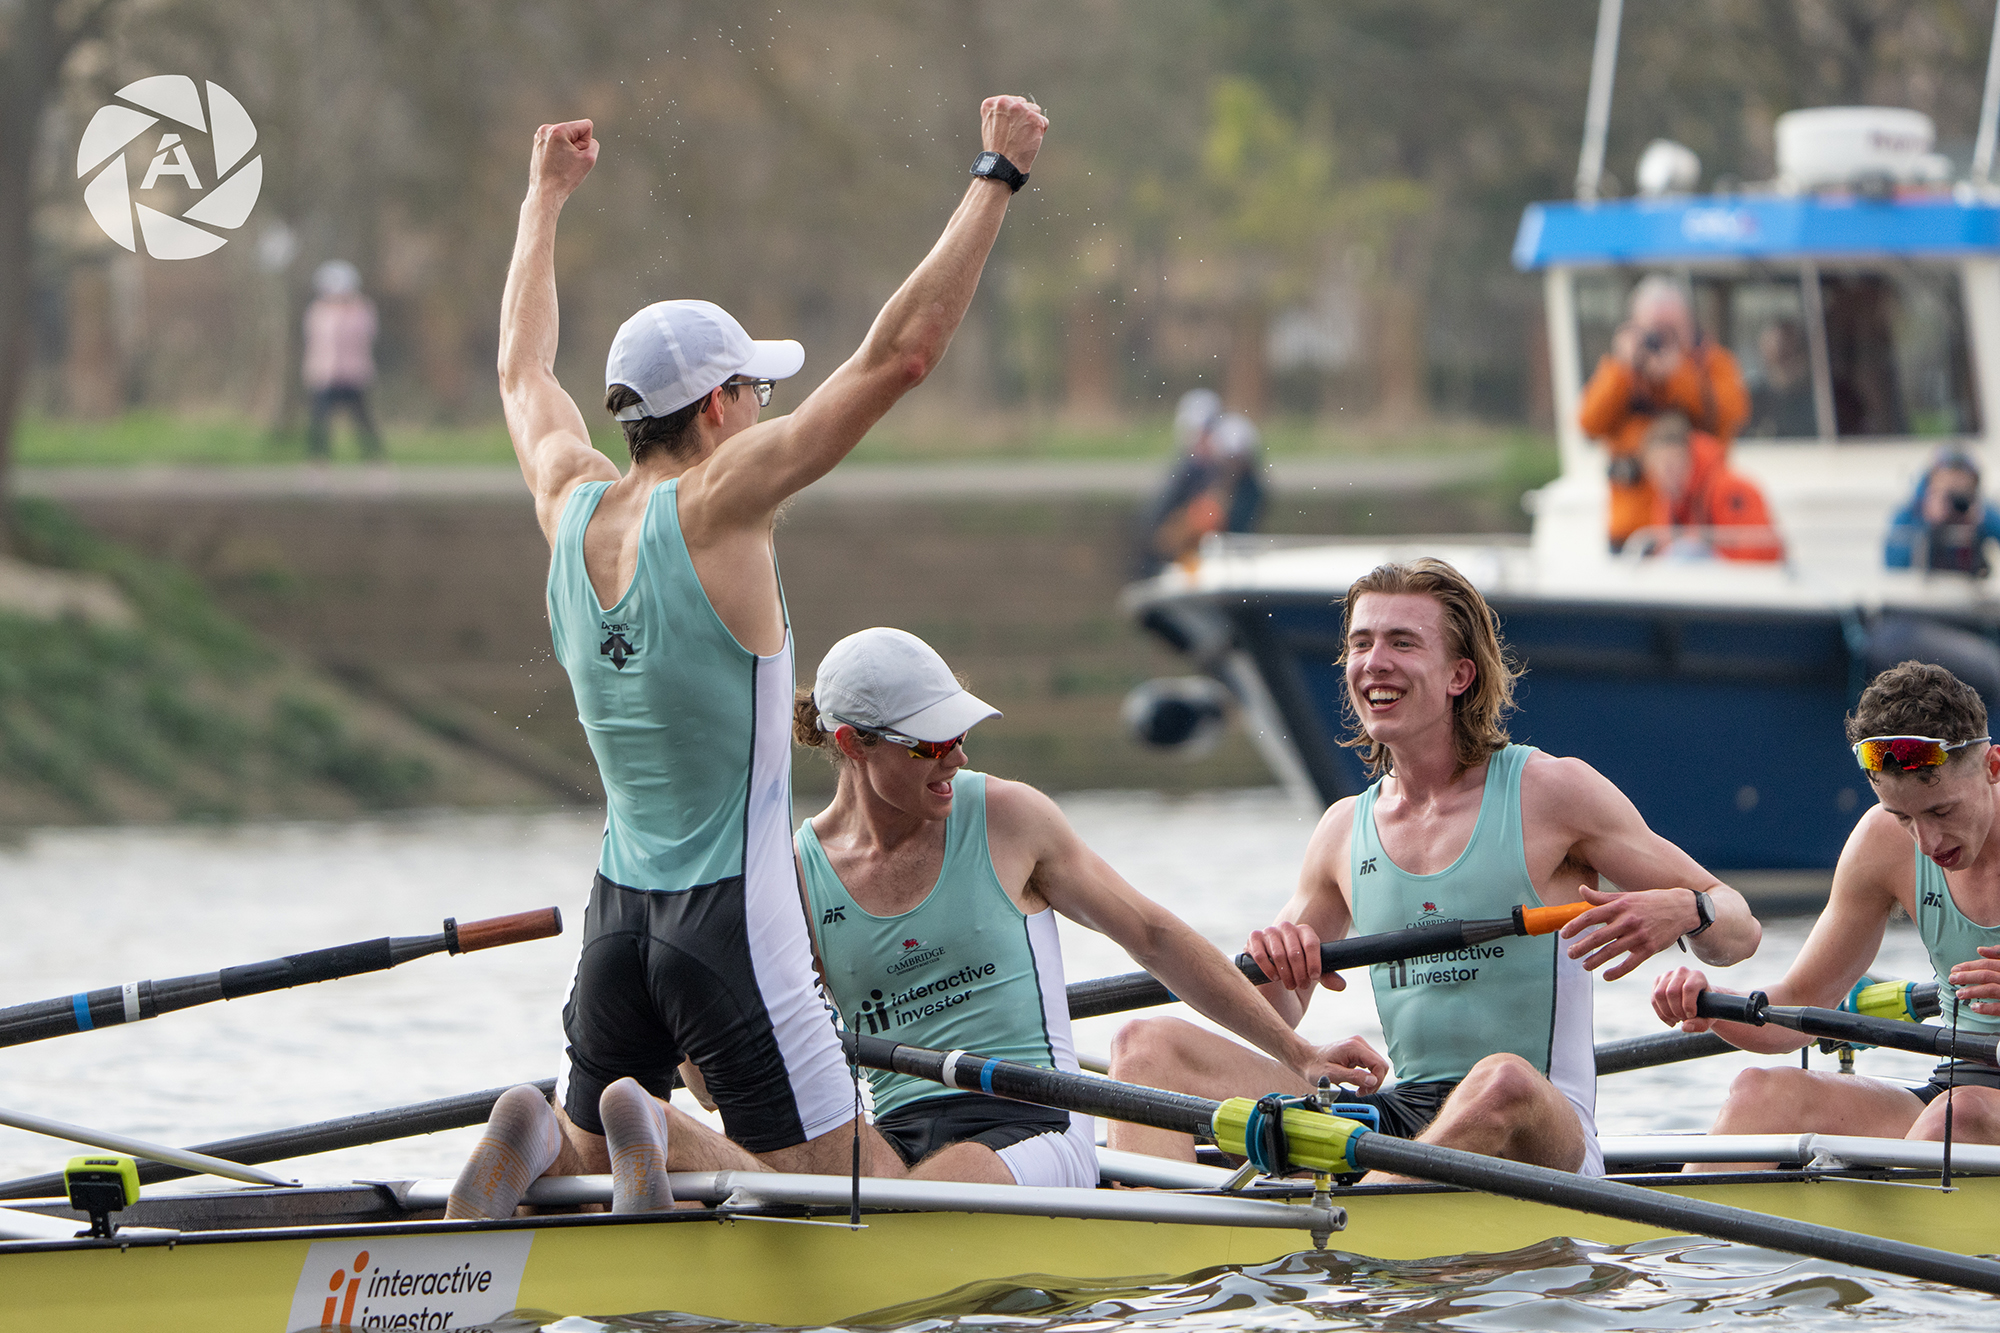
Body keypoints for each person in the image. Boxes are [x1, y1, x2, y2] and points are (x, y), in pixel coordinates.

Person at [447, 99, 1050, 1219]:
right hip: (733, 914)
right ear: (719, 406)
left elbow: (521, 372)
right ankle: (663, 1136)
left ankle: (557, 1132)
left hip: (616, 916)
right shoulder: (721, 502)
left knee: (587, 1153)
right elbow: (898, 358)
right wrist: (993, 178)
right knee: (845, 1195)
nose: (765, 408)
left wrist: (542, 200)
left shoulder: (568, 503)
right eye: (755, 392)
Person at [1107, 557, 1761, 1176]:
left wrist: (1691, 908)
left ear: (1459, 675)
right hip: (1404, 1119)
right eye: (1360, 644)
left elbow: (1739, 927)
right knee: (1145, 1046)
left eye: (1401, 642)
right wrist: (1279, 960)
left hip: (1541, 1125)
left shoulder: (1551, 792)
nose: (1373, 662)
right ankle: (1155, 1245)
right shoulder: (1342, 831)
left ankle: (1369, 1231)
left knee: (1499, 1077)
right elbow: (1277, 1011)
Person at [792, 627, 1384, 1186]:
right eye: (932, 743)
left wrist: (1300, 1054)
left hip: (1038, 1121)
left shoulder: (1008, 820)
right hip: (897, 1136)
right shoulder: (797, 874)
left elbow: (1152, 936)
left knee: (953, 1175)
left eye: (959, 735)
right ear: (853, 745)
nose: (957, 759)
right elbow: (724, 1078)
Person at [1653, 661, 2000, 1167]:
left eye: (1941, 812)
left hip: (1960, 1115)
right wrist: (1717, 1008)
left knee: (1954, 1121)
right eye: (1903, 817)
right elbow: (1801, 1005)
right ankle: (1678, 1245)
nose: (1926, 843)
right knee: (1760, 1096)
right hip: (1958, 1089)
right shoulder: (1880, 845)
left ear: (1993, 767)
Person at [1578, 276, 1749, 551]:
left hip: (1698, 531)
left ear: (1688, 324)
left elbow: (1732, 416)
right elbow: (1587, 423)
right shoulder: (1620, 372)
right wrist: (1623, 369)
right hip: (1632, 529)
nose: (1660, 338)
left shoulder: (1714, 365)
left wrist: (1679, 375)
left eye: (1670, 328)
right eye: (1652, 330)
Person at [1137, 394, 1266, 575]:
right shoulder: (1189, 471)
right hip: (1178, 559)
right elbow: (1153, 522)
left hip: (1217, 557)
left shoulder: (1251, 487)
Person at [1632, 411, 1782, 563]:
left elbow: (1760, 551)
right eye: (1655, 469)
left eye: (1670, 466)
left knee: (1687, 553)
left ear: (1688, 457)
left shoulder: (1729, 489)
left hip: (1744, 579)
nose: (1664, 476)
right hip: (1705, 581)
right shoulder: (1668, 501)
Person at [302, 260, 383, 462]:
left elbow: (367, 335)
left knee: (362, 420)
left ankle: (375, 459)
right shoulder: (318, 311)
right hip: (325, 373)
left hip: (353, 373)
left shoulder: (361, 310)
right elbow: (314, 341)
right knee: (320, 421)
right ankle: (318, 461)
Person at [1884, 447, 2000, 577]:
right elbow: (1893, 564)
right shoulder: (1910, 514)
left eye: (1960, 491)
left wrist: (1983, 523)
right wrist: (1927, 523)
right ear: (1931, 485)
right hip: (1923, 593)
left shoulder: (1983, 512)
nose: (1954, 501)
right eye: (1947, 489)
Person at [1745, 319, 1817, 439]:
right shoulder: (1754, 396)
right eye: (1772, 344)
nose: (1781, 349)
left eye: (1786, 345)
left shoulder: (1814, 395)